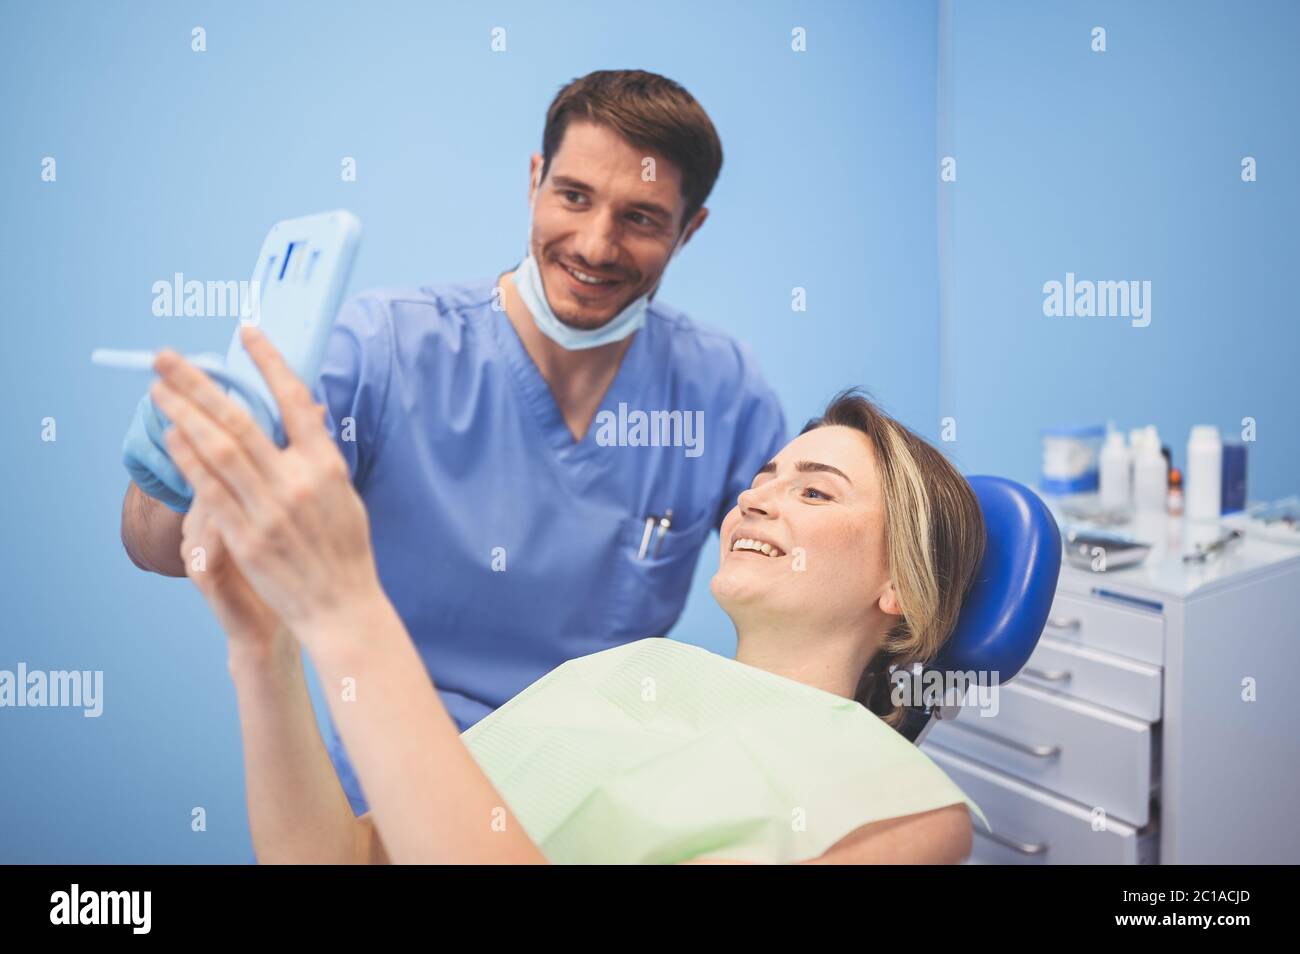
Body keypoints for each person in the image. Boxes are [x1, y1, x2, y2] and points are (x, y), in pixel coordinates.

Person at [117, 70, 787, 815]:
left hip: (605, 817)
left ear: (688, 228)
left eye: (640, 218)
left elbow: (815, 585)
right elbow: (170, 551)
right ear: (534, 180)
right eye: (573, 196)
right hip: (394, 806)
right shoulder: (384, 351)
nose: (596, 244)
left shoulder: (721, 391)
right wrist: (176, 474)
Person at [147, 327, 987, 864]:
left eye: (816, 492)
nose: (757, 497)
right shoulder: (624, 673)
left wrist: (347, 609)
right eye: (766, 476)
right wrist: (265, 646)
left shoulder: (900, 813)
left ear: (902, 589)